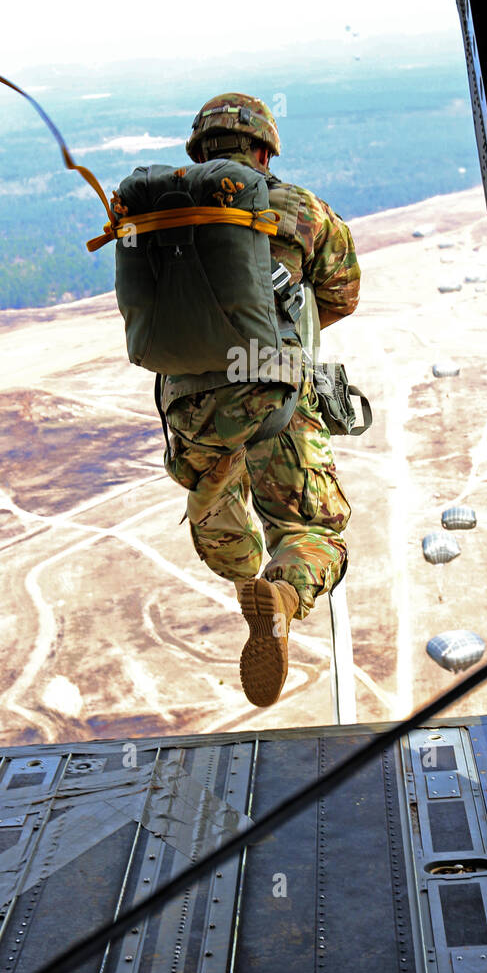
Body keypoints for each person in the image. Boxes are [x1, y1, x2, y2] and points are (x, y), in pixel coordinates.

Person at [125, 92, 360, 709]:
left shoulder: (157, 216)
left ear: (199, 153)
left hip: (187, 406)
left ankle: (242, 570)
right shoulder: (299, 208)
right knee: (314, 528)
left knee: (227, 529)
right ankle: (281, 596)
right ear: (263, 150)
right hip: (271, 390)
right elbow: (343, 292)